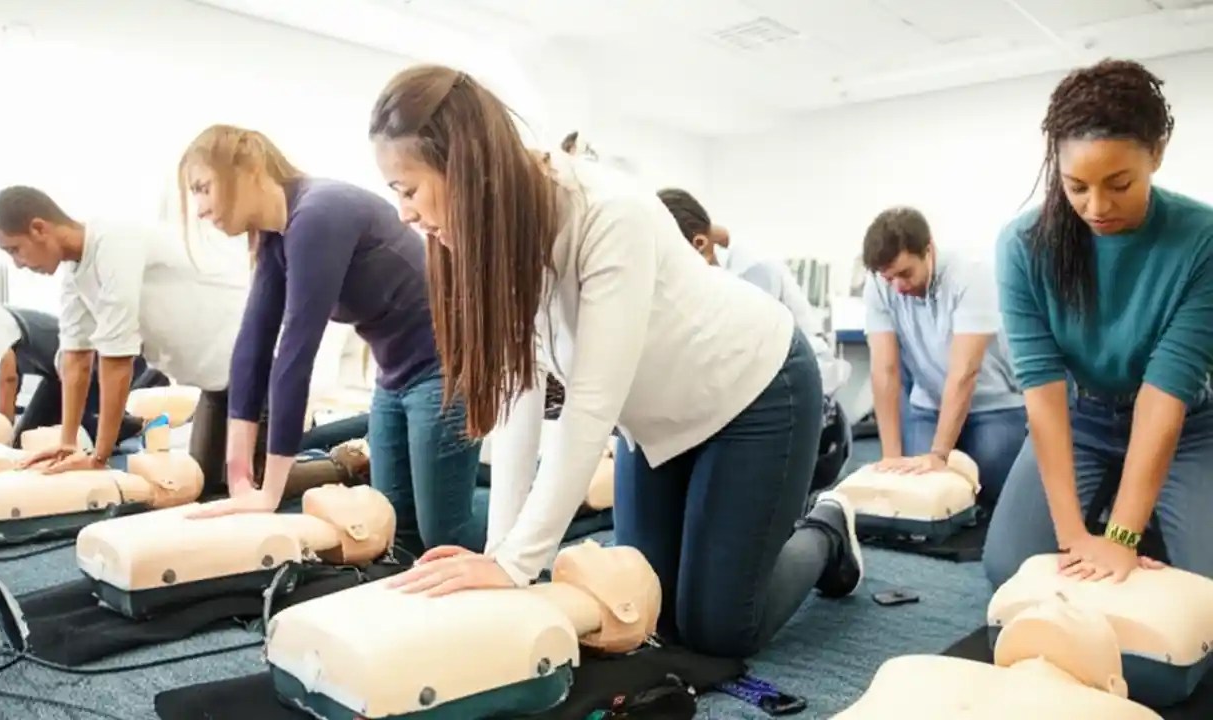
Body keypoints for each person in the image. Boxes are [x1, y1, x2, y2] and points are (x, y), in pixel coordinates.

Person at [368, 64, 864, 659]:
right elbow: (520, 396)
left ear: (463, 167)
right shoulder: (499, 231)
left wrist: (519, 564)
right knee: (646, 608)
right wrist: (501, 555)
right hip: (654, 421)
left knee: (717, 630)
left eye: (407, 189)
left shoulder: (607, 213)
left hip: (754, 392)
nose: (401, 213)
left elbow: (589, 407)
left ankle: (829, 529)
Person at [176, 124, 485, 555]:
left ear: (248, 169)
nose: (201, 209)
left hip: (445, 369)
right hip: (394, 376)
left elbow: (296, 354)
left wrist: (269, 495)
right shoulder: (276, 236)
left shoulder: (319, 213)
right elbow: (254, 347)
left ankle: (529, 514)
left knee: (444, 534)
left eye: (203, 188)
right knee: (398, 534)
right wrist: (240, 478)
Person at [982, 58, 1213, 587]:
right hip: (1083, 421)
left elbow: (1165, 398)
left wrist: (1124, 538)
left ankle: (1140, 521)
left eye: (1119, 183)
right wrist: (1073, 537)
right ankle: (1120, 516)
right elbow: (1042, 395)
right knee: (1008, 568)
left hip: (1189, 428)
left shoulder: (1202, 240)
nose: (1096, 207)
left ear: (1157, 153)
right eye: (1076, 186)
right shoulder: (1022, 246)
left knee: (1205, 586)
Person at [0, 186, 248, 484]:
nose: (17, 264)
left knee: (248, 489)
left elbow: (117, 360)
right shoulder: (74, 272)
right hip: (215, 386)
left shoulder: (115, 242)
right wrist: (68, 444)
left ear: (39, 228)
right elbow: (76, 359)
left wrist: (99, 457)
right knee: (204, 483)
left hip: (253, 369)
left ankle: (308, 476)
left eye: (14, 250)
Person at [657, 187, 853, 490]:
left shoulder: (754, 273)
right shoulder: (714, 260)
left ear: (699, 245)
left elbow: (742, 361)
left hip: (798, 395)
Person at [861, 206, 1027, 509]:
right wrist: (890, 460)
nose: (898, 286)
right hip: (931, 402)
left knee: (987, 485)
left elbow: (964, 373)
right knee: (916, 485)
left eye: (905, 274)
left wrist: (939, 455)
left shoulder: (972, 274)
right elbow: (885, 371)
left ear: (928, 250)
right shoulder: (878, 285)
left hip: (994, 402)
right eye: (889, 279)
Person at [0, 306, 158, 445]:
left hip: (92, 365)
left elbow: (9, 381)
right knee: (28, 440)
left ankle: (143, 422)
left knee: (86, 430)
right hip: (57, 378)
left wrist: (2, 435)